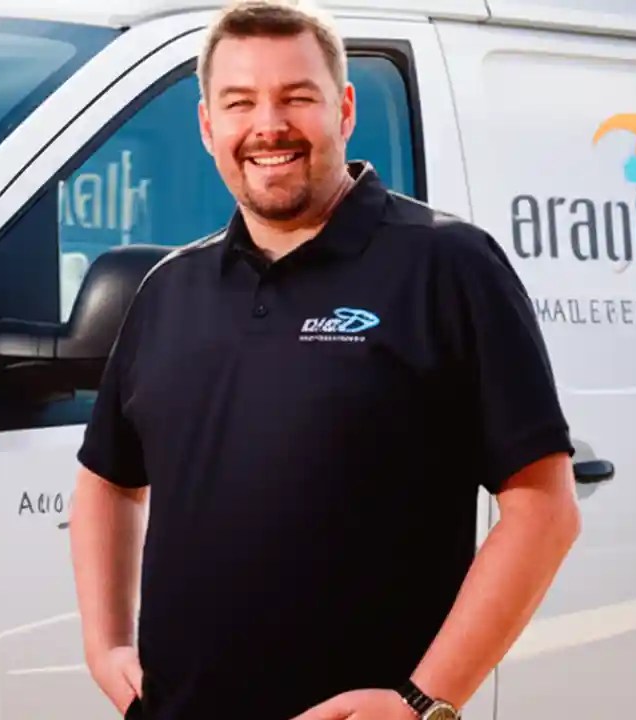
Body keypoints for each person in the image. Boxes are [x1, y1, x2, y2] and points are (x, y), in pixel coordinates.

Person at [67, 1, 583, 719]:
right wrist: (106, 643)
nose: (268, 126)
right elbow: (106, 480)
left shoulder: (447, 264)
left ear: (343, 110)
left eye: (296, 97)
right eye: (240, 101)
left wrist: (422, 702)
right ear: (207, 125)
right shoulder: (169, 289)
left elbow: (543, 509)